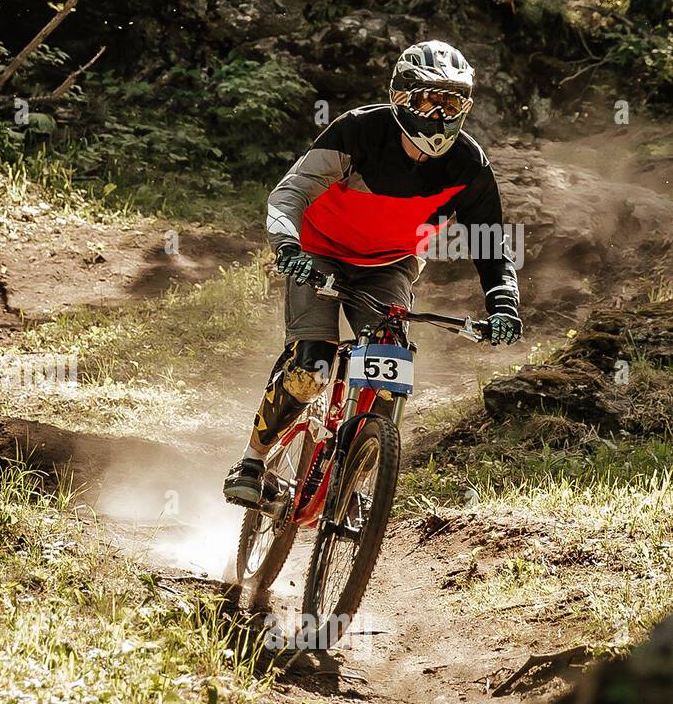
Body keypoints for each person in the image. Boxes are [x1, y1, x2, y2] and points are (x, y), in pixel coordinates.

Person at [223, 40, 522, 507]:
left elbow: (489, 242)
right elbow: (289, 193)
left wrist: (504, 301)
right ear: (403, 97)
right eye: (430, 99)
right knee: (312, 365)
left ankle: (358, 475)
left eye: (453, 102)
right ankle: (253, 461)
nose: (441, 115)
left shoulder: (468, 163)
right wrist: (287, 246)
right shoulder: (359, 131)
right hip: (318, 253)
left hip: (390, 265)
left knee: (388, 371)